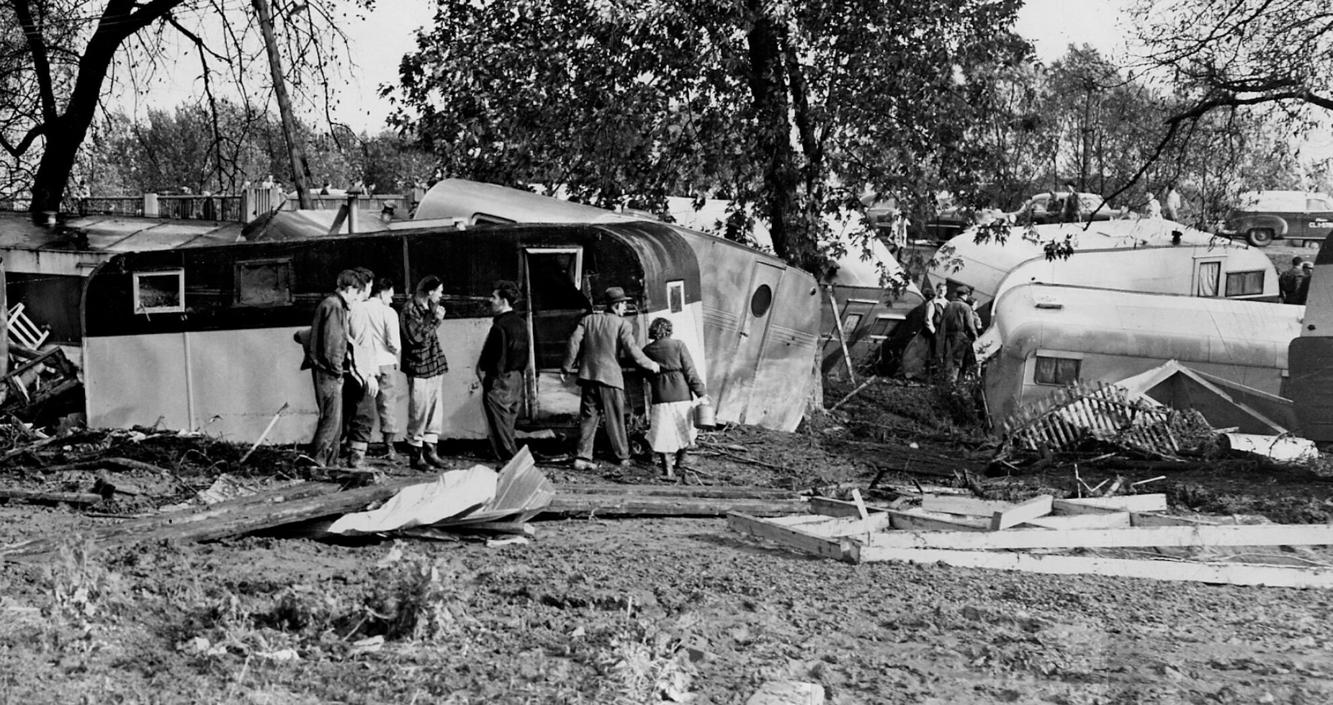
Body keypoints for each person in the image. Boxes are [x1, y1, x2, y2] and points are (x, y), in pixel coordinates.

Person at [562, 286, 661, 470]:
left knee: (588, 418)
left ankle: (582, 458)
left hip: (589, 377)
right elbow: (632, 350)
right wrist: (650, 364)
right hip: (611, 378)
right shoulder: (622, 324)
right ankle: (622, 456)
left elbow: (574, 342)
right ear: (617, 305)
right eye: (624, 305)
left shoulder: (588, 320)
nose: (625, 308)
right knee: (615, 418)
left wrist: (566, 366)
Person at [300, 269, 364, 467]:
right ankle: (319, 462)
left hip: (325, 370)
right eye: (356, 292)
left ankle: (328, 461)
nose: (356, 297)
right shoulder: (335, 306)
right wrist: (337, 370)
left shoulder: (331, 304)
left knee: (333, 419)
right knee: (331, 419)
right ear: (350, 288)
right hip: (329, 372)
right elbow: (332, 344)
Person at [642, 318, 707, 478]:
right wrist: (701, 393)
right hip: (682, 393)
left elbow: (646, 373)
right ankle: (680, 463)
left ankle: (668, 470)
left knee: (663, 432)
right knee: (684, 428)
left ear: (653, 331)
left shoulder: (647, 350)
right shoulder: (678, 345)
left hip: (660, 395)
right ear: (669, 330)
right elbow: (690, 371)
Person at [400, 275, 450, 470]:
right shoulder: (410, 309)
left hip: (434, 366)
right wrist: (436, 321)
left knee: (434, 413)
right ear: (430, 291)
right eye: (440, 290)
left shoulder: (429, 307)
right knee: (419, 412)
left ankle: (431, 452)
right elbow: (417, 338)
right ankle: (416, 456)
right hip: (419, 368)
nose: (442, 294)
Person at [477, 280, 529, 462]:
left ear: (504, 300)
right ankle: (513, 464)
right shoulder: (521, 324)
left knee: (501, 432)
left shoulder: (499, 326)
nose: (490, 300)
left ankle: (514, 464)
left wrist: (490, 379)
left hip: (500, 381)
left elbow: (494, 358)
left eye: (494, 297)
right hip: (516, 380)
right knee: (508, 427)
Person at [353, 277, 401, 461]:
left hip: (364, 364)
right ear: (383, 292)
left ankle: (358, 449)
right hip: (385, 362)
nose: (392, 298)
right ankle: (389, 447)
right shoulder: (389, 313)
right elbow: (394, 344)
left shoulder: (360, 308)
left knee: (364, 406)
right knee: (387, 405)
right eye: (390, 294)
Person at [342, 268, 379, 468]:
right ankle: (356, 457)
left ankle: (349, 452)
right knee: (365, 412)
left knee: (350, 411)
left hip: (351, 369)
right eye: (370, 286)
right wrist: (370, 374)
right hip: (360, 371)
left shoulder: (349, 308)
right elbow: (360, 346)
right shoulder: (359, 310)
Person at [938, 286, 979, 384]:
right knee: (957, 360)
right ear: (965, 295)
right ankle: (952, 383)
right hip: (959, 335)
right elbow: (970, 324)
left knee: (948, 358)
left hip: (947, 334)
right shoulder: (965, 307)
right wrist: (975, 336)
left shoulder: (948, 305)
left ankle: (945, 381)